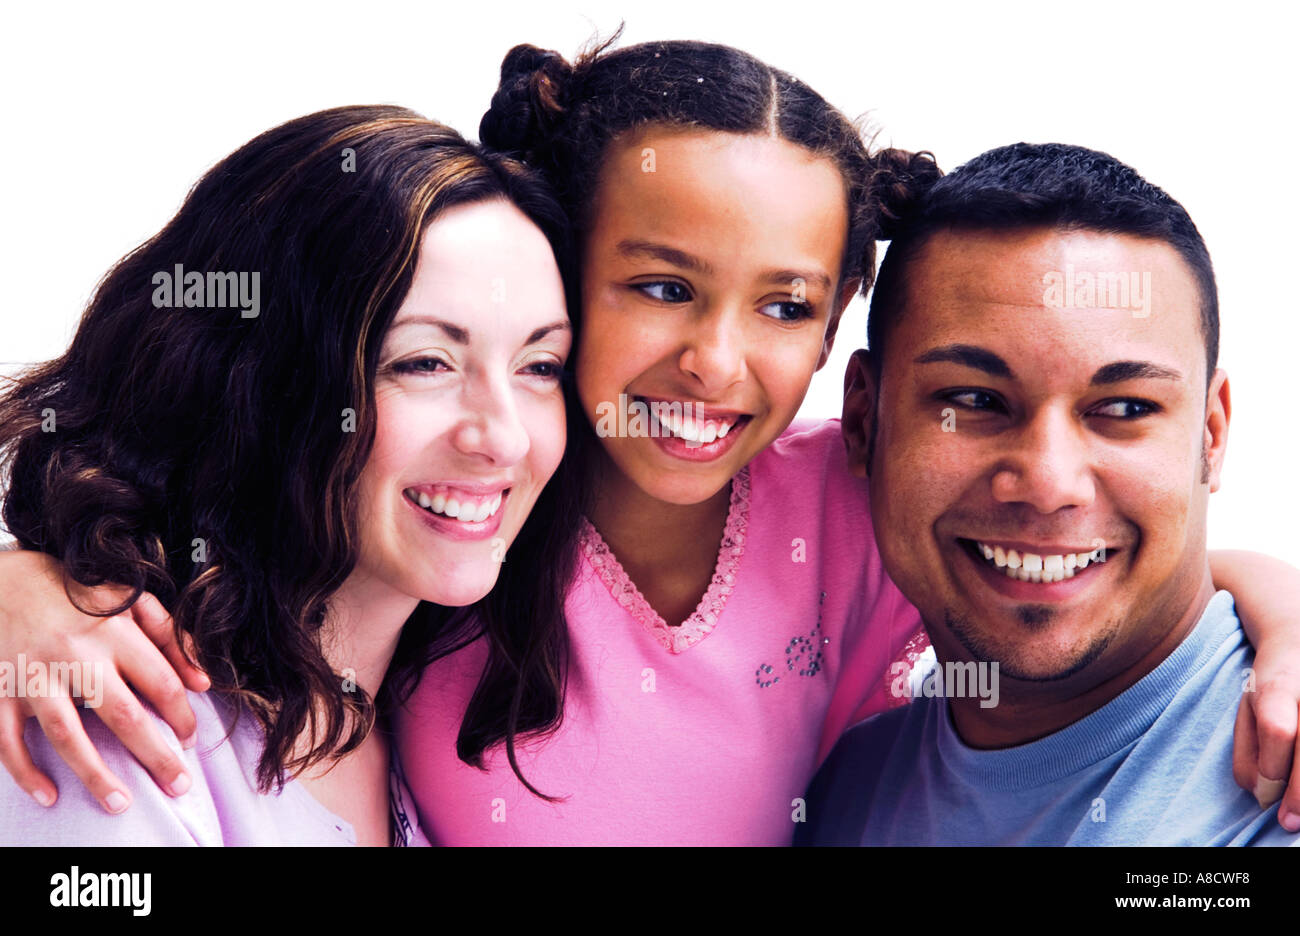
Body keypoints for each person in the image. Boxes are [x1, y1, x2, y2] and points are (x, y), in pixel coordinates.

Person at [3, 40, 1299, 845]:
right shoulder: (467, 503)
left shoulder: (850, 510)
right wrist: (22, 594)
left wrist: (1285, 612)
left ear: (840, 339)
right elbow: (192, 482)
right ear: (557, 264)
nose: (717, 365)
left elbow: (1085, 556)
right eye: (663, 286)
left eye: (786, 306)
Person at [0, 104, 581, 844]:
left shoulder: (429, 725)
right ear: (255, 382)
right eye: (423, 363)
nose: (501, 438)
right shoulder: (111, 726)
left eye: (540, 366)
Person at [798, 142, 1300, 845]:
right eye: (975, 399)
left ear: (1211, 435)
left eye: (1124, 408)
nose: (1048, 484)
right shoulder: (838, 788)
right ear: (861, 421)